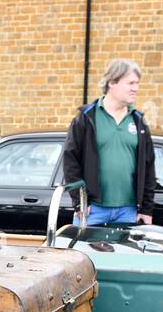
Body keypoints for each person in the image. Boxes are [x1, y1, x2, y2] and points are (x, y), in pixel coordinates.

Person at [61, 59, 156, 226]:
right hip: (92, 210)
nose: (136, 88)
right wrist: (79, 201)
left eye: (137, 83)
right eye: (131, 83)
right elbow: (70, 160)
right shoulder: (87, 117)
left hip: (128, 211)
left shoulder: (139, 121)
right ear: (112, 82)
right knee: (85, 253)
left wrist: (146, 209)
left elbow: (149, 167)